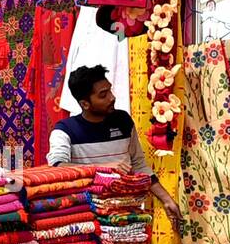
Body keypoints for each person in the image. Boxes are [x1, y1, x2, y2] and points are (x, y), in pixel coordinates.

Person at [48, 64, 182, 222]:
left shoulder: (123, 121)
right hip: (86, 216)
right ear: (85, 104)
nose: (112, 97)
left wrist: (166, 199)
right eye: (103, 95)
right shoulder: (65, 130)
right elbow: (57, 168)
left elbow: (139, 165)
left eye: (109, 90)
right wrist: (103, 169)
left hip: (126, 215)